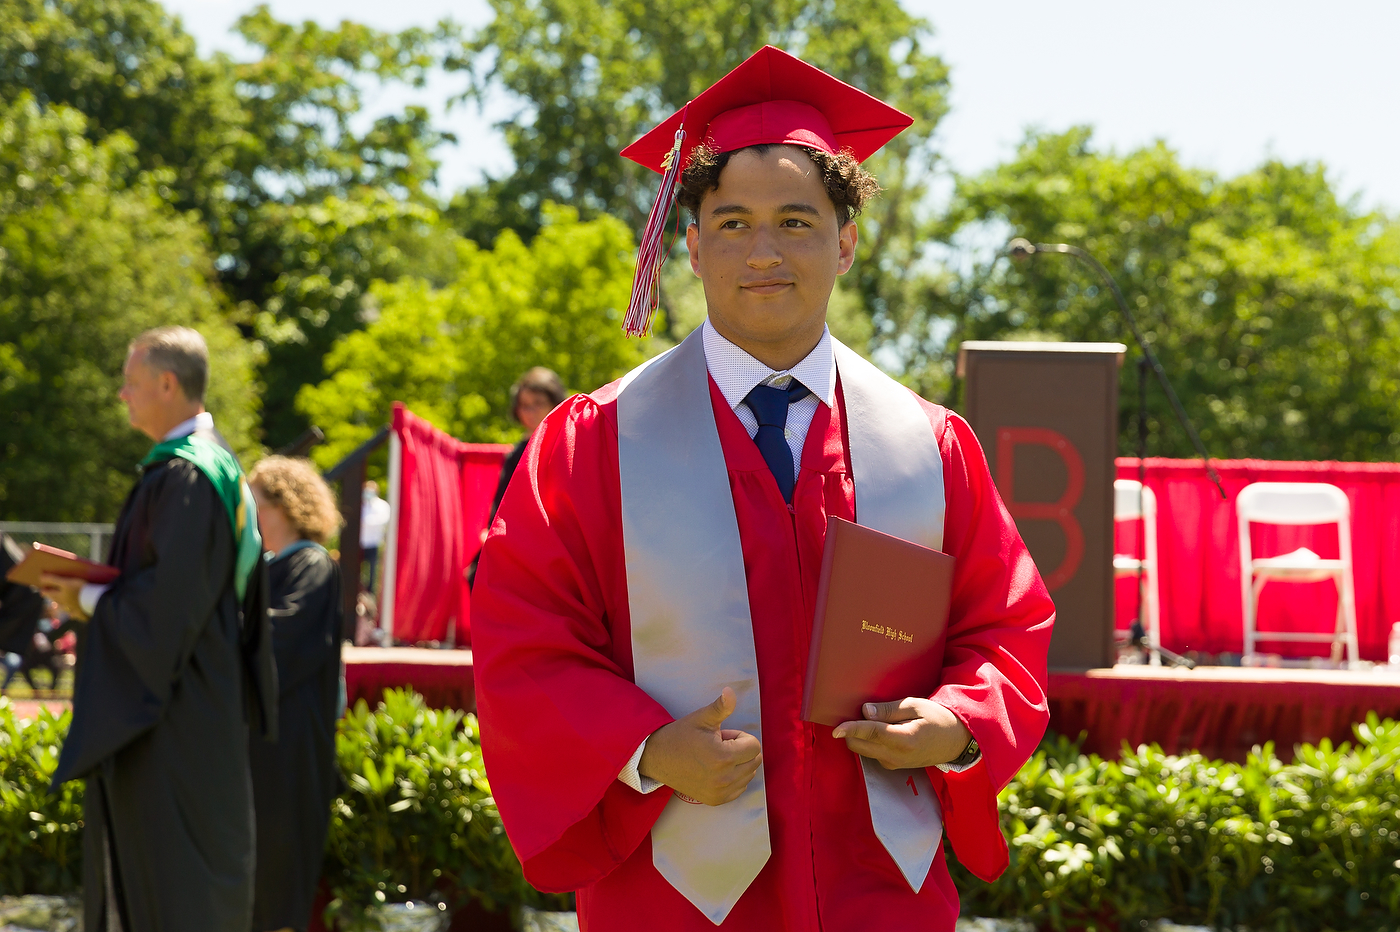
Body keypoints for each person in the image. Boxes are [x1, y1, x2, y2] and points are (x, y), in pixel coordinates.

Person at [471, 47, 1055, 931]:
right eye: (734, 223)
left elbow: (1005, 628)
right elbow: (524, 637)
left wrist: (956, 723)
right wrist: (645, 749)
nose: (764, 251)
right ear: (692, 243)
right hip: (672, 891)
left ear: (847, 241)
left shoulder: (928, 446)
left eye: (796, 220)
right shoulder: (597, 444)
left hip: (877, 890)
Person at [40, 326, 271, 932]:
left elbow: (165, 611)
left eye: (132, 382)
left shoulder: (188, 477)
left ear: (168, 384)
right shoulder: (205, 468)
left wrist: (85, 596)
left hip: (173, 713)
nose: (122, 395)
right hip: (193, 702)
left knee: (175, 890)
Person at [247, 456, 345, 932]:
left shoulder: (312, 566)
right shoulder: (260, 568)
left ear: (285, 506)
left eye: (256, 502)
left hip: (290, 749)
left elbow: (280, 642)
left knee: (279, 878)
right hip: (256, 746)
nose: (248, 513)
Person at [467, 367, 567, 587]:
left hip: (556, 546)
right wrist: (491, 534)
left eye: (537, 403)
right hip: (518, 541)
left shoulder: (567, 447)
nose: (529, 412)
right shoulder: (516, 455)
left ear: (555, 403)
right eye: (524, 405)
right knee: (477, 579)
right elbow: (501, 503)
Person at [360, 480, 391, 593]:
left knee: (373, 573)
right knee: (357, 572)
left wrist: (368, 522)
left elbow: (384, 520)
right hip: (360, 544)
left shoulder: (382, 505)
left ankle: (371, 594)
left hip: (374, 543)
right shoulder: (360, 504)